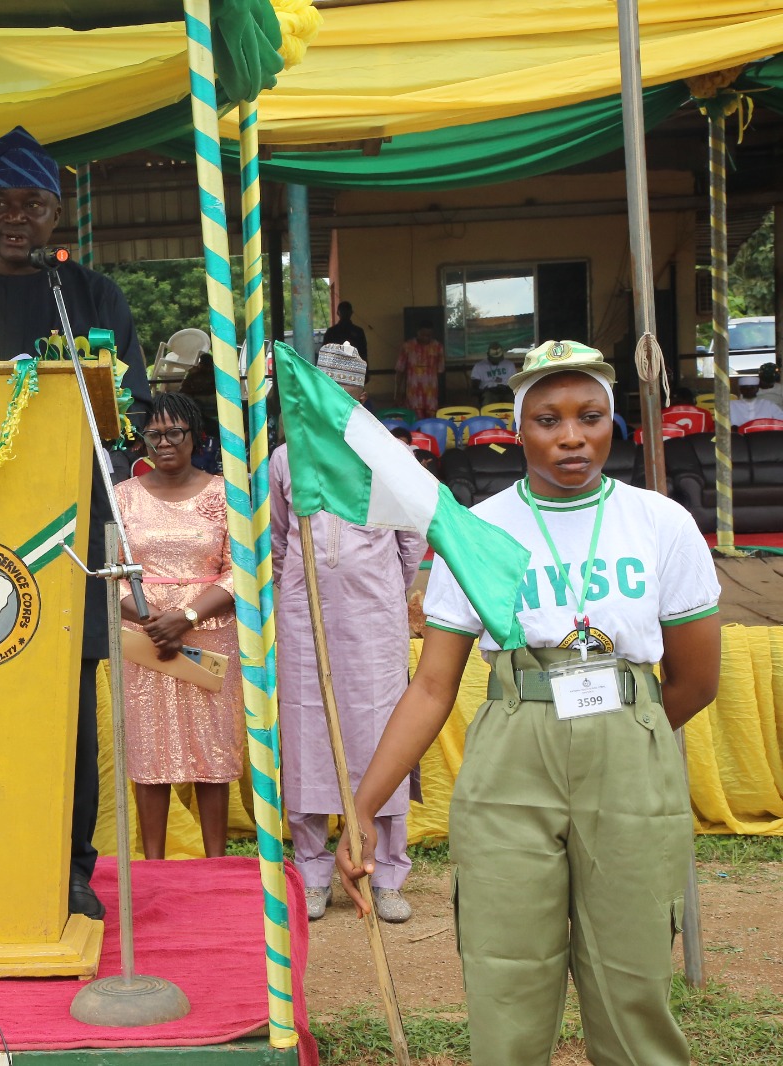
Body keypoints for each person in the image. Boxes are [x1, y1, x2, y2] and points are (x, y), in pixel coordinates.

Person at [336, 340, 722, 1065]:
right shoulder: (479, 531)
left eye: (591, 416)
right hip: (512, 760)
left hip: (629, 757)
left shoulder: (661, 523)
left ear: (615, 423)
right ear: (518, 429)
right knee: (507, 979)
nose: (572, 436)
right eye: (548, 419)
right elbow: (432, 685)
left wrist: (623, 726)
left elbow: (697, 681)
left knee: (633, 978)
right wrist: (364, 804)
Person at [0, 125, 152, 920]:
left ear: (58, 215)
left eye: (34, 204)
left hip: (64, 543)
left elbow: (132, 409)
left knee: (67, 714)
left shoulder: (87, 295)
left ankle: (71, 867)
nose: (16, 217)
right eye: (1, 203)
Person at [272, 343, 426, 923]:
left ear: (360, 398)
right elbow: (282, 540)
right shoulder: (287, 459)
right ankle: (312, 873)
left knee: (381, 734)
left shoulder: (389, 456)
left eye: (347, 394)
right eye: (324, 391)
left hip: (374, 625)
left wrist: (375, 588)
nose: (335, 402)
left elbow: (411, 541)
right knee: (308, 736)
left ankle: (387, 874)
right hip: (303, 619)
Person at [112, 393, 239, 859]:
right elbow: (111, 568)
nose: (163, 442)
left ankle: (216, 863)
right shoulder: (121, 497)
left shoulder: (225, 494)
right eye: (154, 434)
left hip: (209, 631)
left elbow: (239, 570)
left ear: (196, 435)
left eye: (174, 433)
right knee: (151, 751)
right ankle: (153, 865)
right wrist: (149, 619)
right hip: (144, 639)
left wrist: (185, 617)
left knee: (213, 749)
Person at [395, 322, 445, 419]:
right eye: (423, 334)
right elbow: (400, 369)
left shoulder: (438, 347)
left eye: (429, 335)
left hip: (431, 393)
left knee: (430, 420)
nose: (426, 337)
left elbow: (440, 370)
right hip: (413, 393)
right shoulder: (408, 346)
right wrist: (398, 392)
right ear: (417, 332)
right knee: (414, 418)